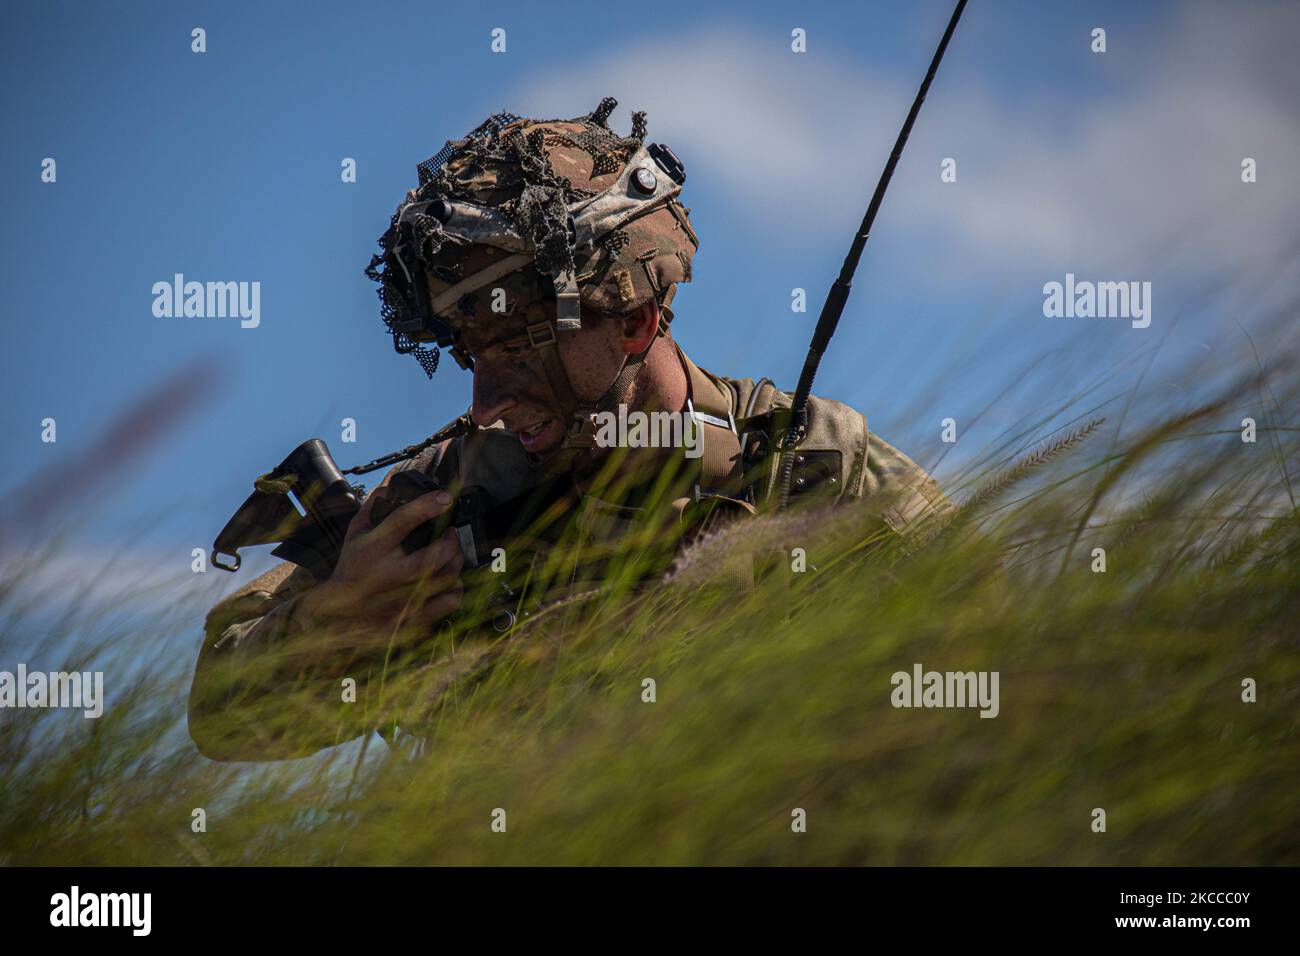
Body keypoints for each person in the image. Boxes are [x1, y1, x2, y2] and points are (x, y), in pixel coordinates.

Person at [189, 99, 950, 761]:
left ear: (637, 320)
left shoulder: (811, 466)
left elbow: (1000, 653)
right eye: (470, 351)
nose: (487, 401)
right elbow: (223, 721)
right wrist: (334, 622)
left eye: (521, 344)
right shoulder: (441, 505)